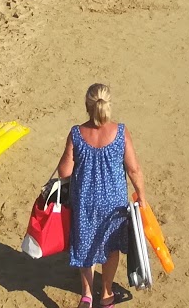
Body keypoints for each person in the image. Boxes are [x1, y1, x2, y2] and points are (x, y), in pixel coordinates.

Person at [55, 83, 148, 308]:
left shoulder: (76, 133)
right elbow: (134, 169)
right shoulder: (121, 132)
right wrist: (142, 197)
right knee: (111, 247)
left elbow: (64, 172)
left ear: (87, 105)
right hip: (113, 203)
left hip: (85, 200)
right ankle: (106, 293)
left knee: (85, 245)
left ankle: (86, 295)